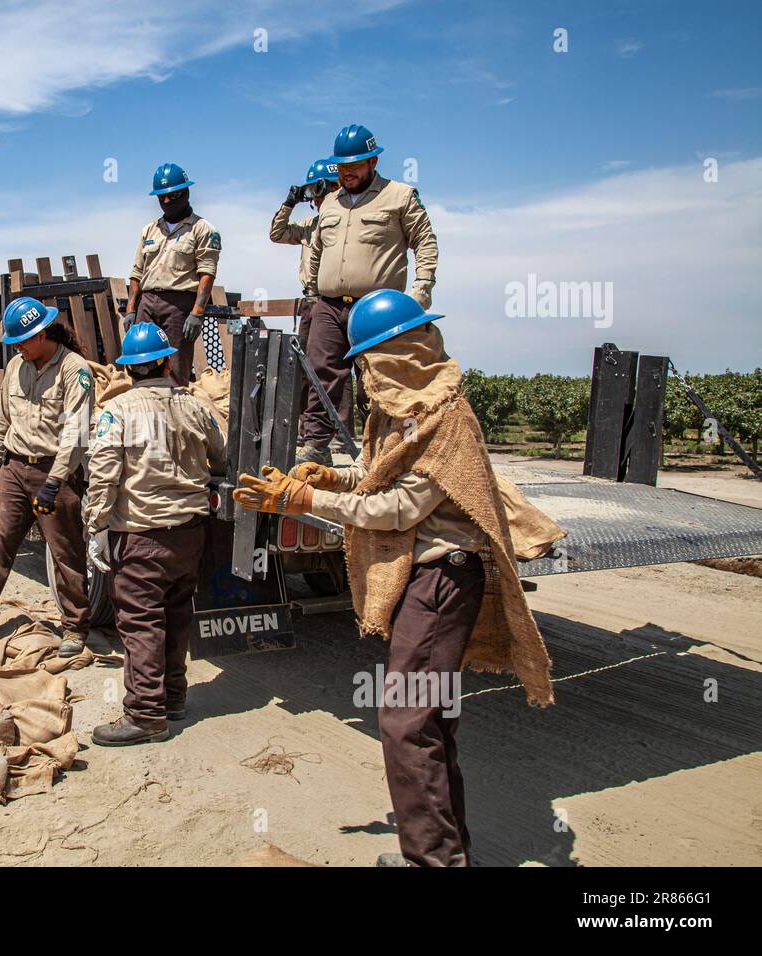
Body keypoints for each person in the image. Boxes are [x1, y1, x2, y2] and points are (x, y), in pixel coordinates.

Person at [233, 290, 559, 867]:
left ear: (400, 352)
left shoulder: (445, 417)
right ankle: (446, 851)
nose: (363, 372)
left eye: (368, 358)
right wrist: (329, 478)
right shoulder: (401, 411)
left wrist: (304, 500)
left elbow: (399, 508)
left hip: (441, 582)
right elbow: (378, 473)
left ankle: (434, 861)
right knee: (431, 719)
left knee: (407, 722)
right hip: (426, 580)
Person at [84, 323, 226, 746]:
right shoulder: (197, 407)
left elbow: (103, 474)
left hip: (141, 536)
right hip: (190, 534)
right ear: (165, 361)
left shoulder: (118, 411)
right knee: (178, 614)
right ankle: (173, 698)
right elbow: (221, 454)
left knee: (141, 622)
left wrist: (95, 528)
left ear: (129, 369)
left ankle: (146, 715)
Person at [0, 295, 95, 657]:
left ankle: (75, 629)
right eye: (15, 342)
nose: (19, 347)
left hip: (55, 472)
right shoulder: (15, 367)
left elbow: (76, 433)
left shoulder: (73, 369)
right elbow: (3, 420)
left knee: (65, 552)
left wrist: (55, 482)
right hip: (14, 469)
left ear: (44, 332)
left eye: (24, 340)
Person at [301, 125, 438, 464]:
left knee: (378, 378)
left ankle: (383, 447)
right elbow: (316, 248)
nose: (347, 173)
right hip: (330, 306)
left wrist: (422, 288)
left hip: (377, 308)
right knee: (321, 372)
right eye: (342, 168)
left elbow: (425, 241)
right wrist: (312, 289)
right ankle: (317, 446)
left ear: (373, 161)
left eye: (355, 166)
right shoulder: (330, 202)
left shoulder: (399, 196)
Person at [122, 162, 222, 387]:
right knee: (140, 362)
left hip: (178, 306)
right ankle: (142, 410)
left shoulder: (203, 229)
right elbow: (137, 273)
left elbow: (207, 273)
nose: (166, 201)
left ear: (185, 192)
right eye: (161, 197)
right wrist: (131, 310)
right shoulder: (149, 230)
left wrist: (197, 313)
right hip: (147, 304)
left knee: (175, 368)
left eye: (172, 195)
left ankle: (174, 415)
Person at [270, 158, 340, 437]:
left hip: (334, 298)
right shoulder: (310, 224)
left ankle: (338, 429)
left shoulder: (345, 222)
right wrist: (290, 203)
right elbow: (277, 234)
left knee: (335, 368)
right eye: (312, 192)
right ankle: (307, 429)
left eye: (319, 190)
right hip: (312, 301)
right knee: (303, 363)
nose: (316, 197)